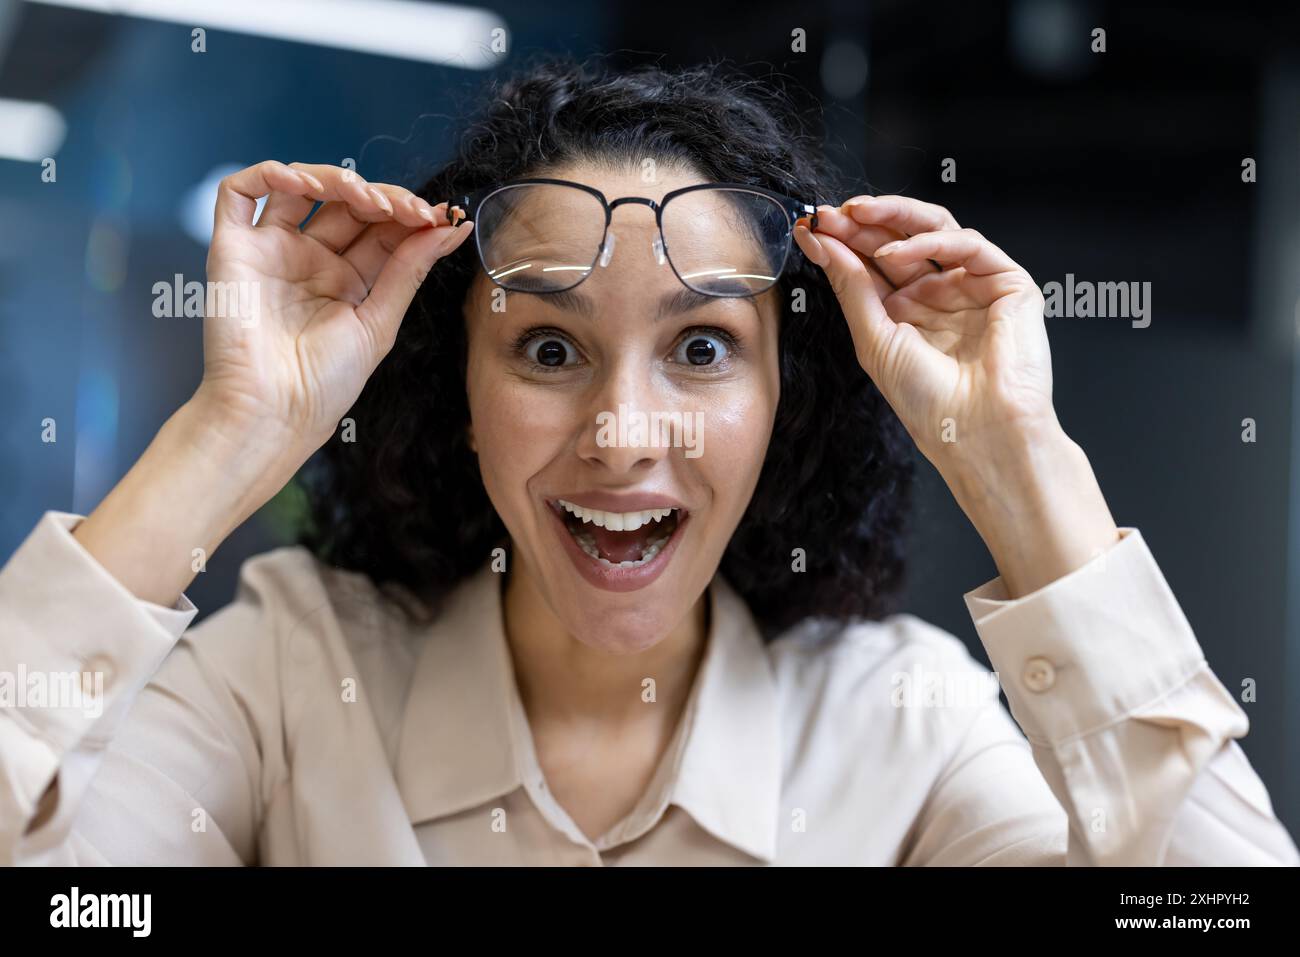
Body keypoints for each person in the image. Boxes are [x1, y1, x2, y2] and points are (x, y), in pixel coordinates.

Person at [2, 58, 1295, 866]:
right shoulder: (290, 679)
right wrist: (228, 434)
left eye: (704, 349)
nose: (624, 435)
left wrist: (1019, 456)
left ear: (784, 391)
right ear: (461, 382)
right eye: (552, 348)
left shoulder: (900, 731)